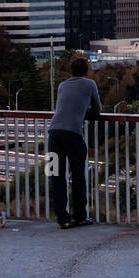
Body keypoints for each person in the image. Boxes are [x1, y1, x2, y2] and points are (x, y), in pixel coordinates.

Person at [47, 55, 103, 229]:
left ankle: (62, 218)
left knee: (56, 175)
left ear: (71, 71)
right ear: (87, 71)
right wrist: (82, 112)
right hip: (73, 135)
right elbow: (97, 110)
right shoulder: (90, 84)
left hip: (53, 134)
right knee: (78, 176)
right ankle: (80, 216)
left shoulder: (62, 85)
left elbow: (62, 108)